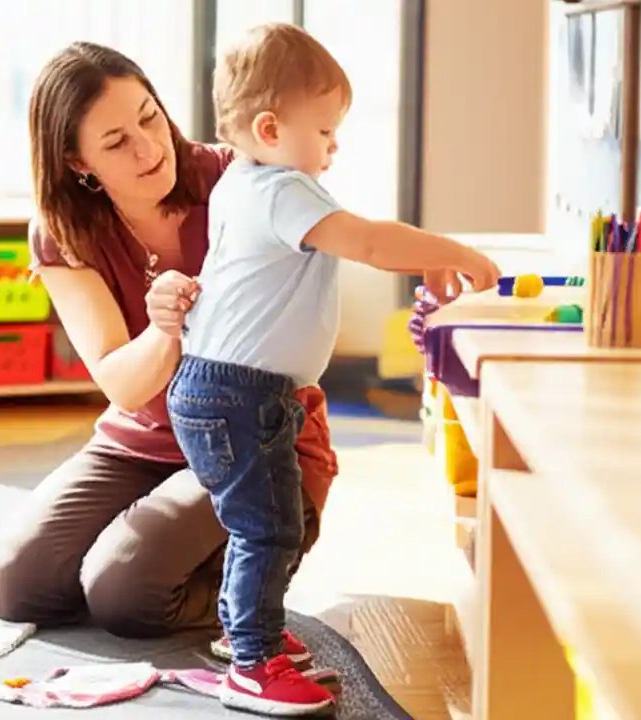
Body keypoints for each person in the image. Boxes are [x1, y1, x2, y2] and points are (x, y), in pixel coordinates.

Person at [168, 23, 501, 715]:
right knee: (268, 528)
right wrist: (456, 250)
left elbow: (368, 243)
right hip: (237, 393)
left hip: (233, 390)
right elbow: (373, 241)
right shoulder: (281, 188)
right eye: (324, 130)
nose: (334, 145)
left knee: (270, 522)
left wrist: (425, 258)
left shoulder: (246, 181)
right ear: (269, 128)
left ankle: (249, 631)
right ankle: (253, 662)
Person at [0, 41, 335, 666]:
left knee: (127, 597)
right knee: (14, 583)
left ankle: (251, 582)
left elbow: (330, 252)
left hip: (253, 442)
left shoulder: (240, 177)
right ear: (75, 161)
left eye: (149, 116)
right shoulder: (63, 230)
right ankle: (141, 568)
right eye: (115, 142)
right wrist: (165, 326)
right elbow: (122, 382)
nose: (149, 147)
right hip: (140, 441)